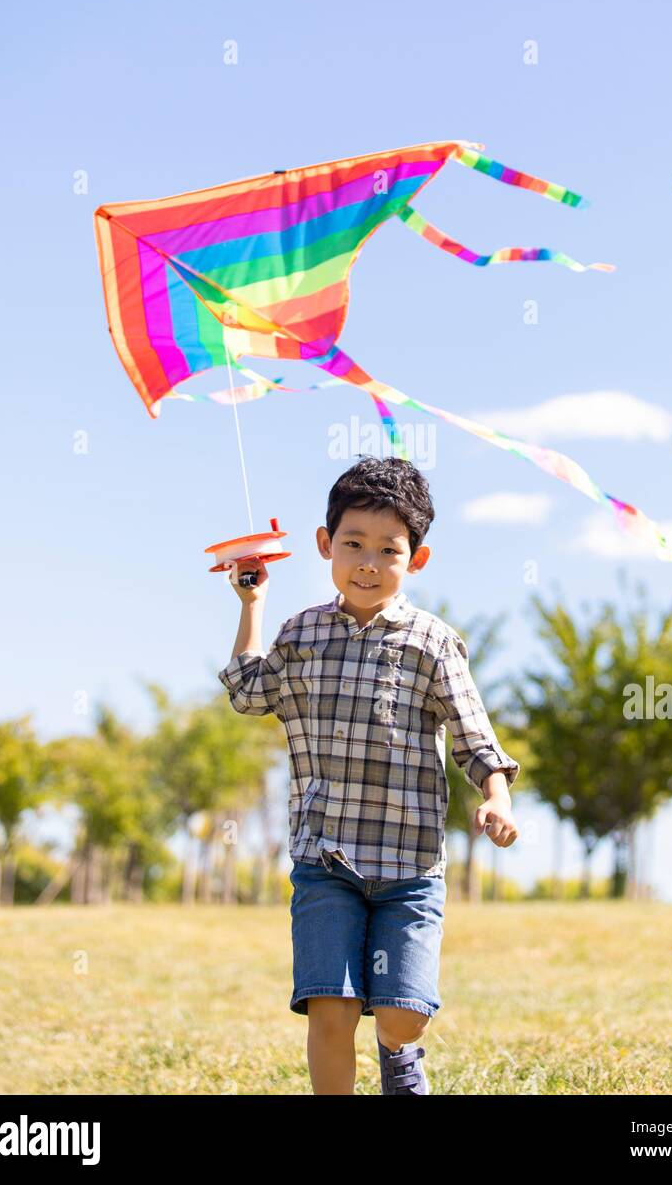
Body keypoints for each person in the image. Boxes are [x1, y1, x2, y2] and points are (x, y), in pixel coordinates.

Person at [218, 455, 520, 1095]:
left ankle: (399, 1058)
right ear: (325, 544)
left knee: (402, 1016)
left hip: (408, 866)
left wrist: (497, 797)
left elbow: (473, 735)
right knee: (331, 1008)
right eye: (353, 543)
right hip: (325, 858)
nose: (367, 561)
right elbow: (250, 693)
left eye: (389, 549)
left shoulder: (432, 643)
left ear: (416, 560)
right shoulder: (302, 634)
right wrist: (252, 604)